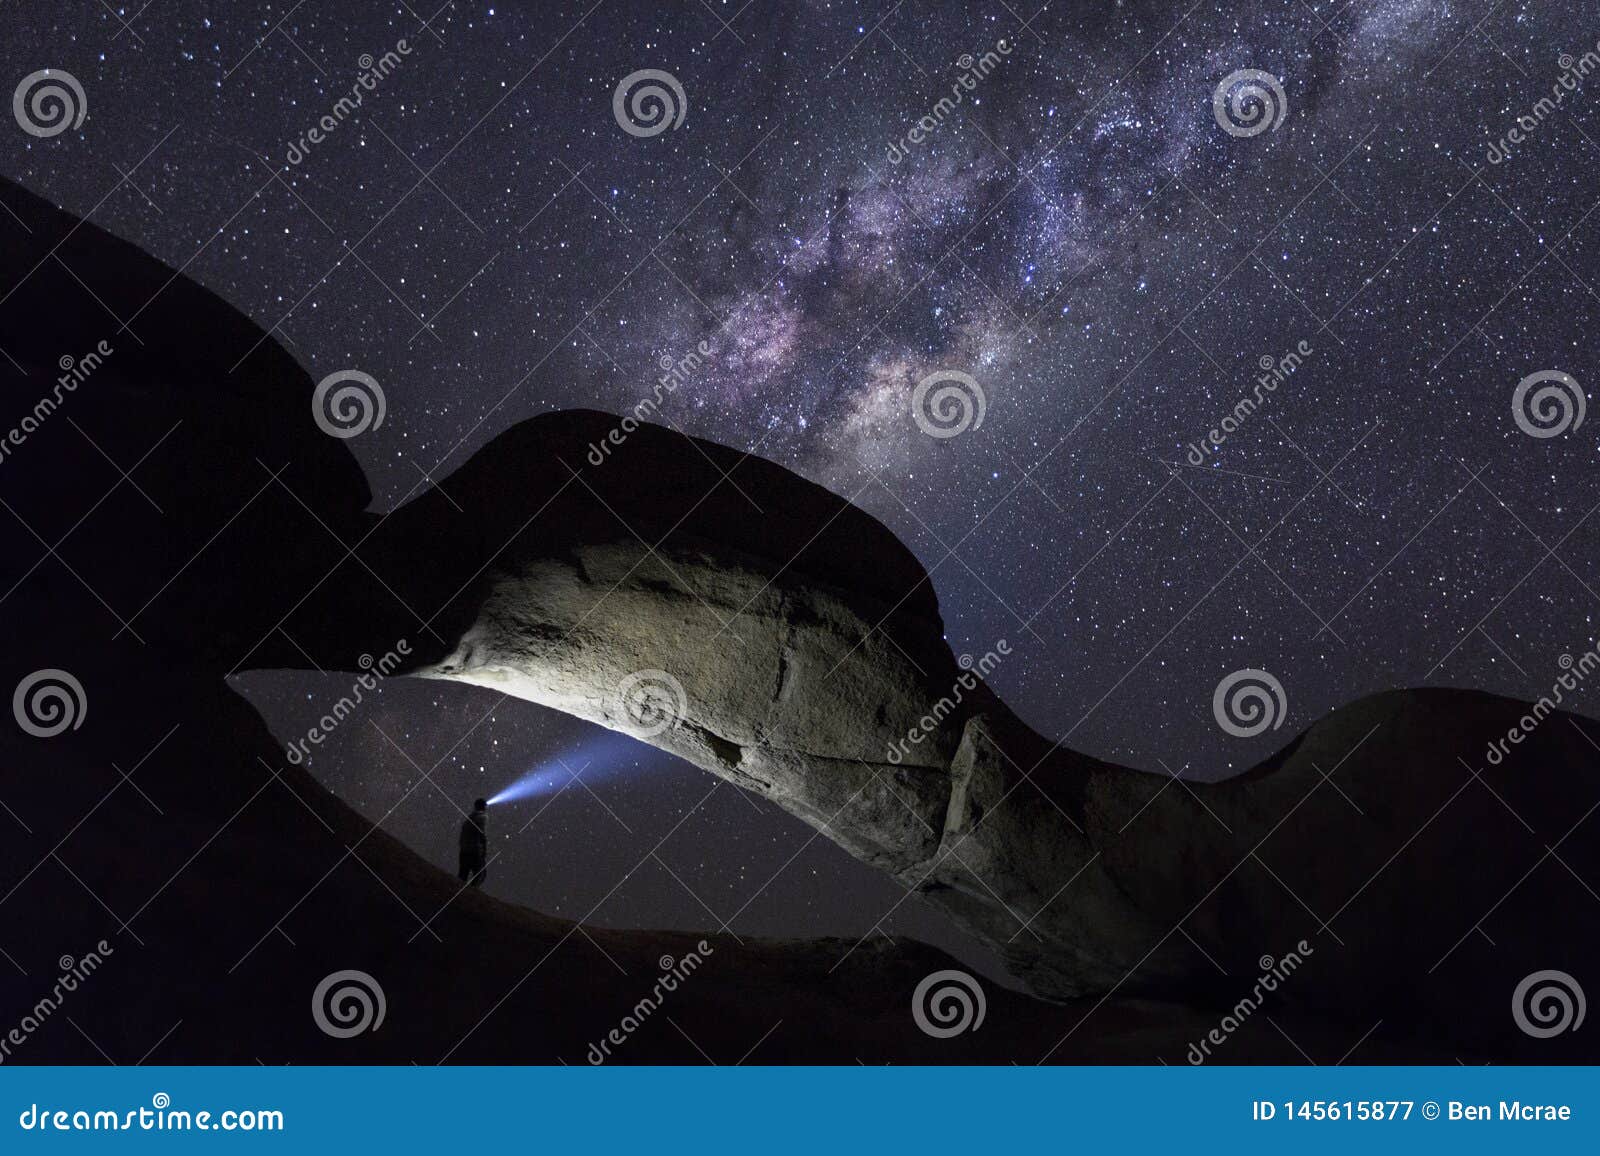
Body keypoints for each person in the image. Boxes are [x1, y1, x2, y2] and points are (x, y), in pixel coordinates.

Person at [458, 798, 487, 887]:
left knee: (462, 876)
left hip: (464, 850)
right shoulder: (482, 817)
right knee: (480, 874)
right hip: (474, 851)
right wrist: (484, 850)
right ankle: (470, 895)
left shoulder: (469, 818)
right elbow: (481, 834)